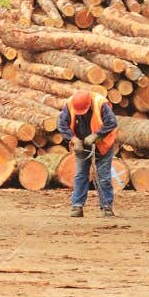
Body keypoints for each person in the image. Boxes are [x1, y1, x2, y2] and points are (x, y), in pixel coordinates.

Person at [59, 88, 119, 217]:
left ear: (89, 104)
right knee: (80, 175)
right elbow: (62, 124)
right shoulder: (70, 104)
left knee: (103, 177)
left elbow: (112, 122)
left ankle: (107, 207)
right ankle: (77, 206)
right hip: (81, 143)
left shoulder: (100, 103)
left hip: (103, 144)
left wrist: (97, 135)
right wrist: (73, 139)